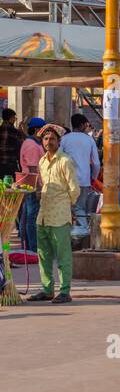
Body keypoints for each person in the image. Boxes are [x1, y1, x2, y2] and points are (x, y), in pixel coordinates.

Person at [30, 125, 80, 304]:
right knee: (43, 254)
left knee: (63, 255)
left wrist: (67, 206)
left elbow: (74, 189)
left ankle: (65, 291)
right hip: (43, 213)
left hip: (59, 215)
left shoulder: (65, 161)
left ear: (58, 141)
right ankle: (47, 289)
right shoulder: (42, 161)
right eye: (45, 139)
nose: (48, 142)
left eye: (52, 139)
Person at [60, 112, 101, 230]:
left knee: (67, 208)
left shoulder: (64, 139)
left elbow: (59, 158)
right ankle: (83, 231)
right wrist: (93, 177)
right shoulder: (89, 140)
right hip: (84, 180)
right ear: (82, 125)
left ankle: (71, 233)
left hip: (67, 180)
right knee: (80, 208)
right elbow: (96, 163)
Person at [18, 116, 45, 252]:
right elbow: (33, 168)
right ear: (36, 130)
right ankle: (32, 247)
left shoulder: (32, 143)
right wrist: (39, 188)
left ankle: (28, 245)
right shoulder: (32, 145)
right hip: (32, 182)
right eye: (43, 130)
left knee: (28, 215)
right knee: (31, 216)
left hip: (30, 182)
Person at [0, 106, 23, 181]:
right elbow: (21, 144)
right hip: (10, 164)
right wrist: (20, 131)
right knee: (11, 187)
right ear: (10, 118)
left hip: (1, 164)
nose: (15, 120)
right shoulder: (14, 131)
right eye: (14, 118)